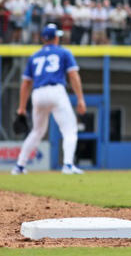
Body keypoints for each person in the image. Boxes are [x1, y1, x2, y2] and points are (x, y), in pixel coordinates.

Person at [11, 24, 86, 174]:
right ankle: (68, 165)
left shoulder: (34, 56)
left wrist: (22, 107)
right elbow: (73, 76)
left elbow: (26, 84)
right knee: (69, 129)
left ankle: (19, 166)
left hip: (38, 94)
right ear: (56, 37)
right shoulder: (64, 52)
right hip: (56, 91)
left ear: (43, 39)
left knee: (37, 132)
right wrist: (80, 98)